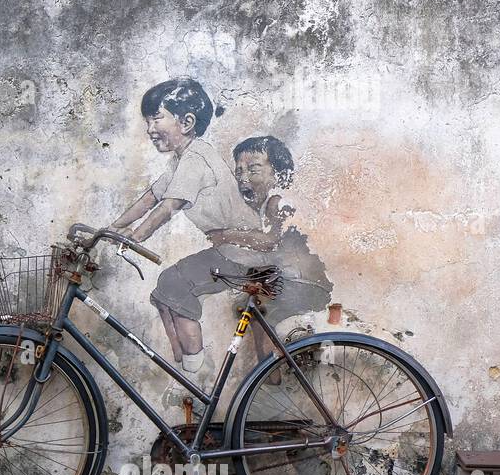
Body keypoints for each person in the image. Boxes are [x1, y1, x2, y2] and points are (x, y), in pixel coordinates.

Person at [107, 78, 267, 374]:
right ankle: (184, 365)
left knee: (175, 284)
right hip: (229, 249)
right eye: (147, 120)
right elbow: (150, 198)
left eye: (156, 118)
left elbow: (168, 207)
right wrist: (112, 227)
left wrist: (135, 236)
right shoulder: (181, 161)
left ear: (187, 122)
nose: (150, 128)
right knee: (165, 291)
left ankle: (195, 368)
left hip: (243, 251)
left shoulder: (196, 158)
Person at [206, 135, 333, 355]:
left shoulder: (278, 201)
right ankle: (268, 380)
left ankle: (269, 380)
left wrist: (226, 235)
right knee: (256, 315)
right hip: (288, 281)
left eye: (253, 169)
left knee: (262, 316)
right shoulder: (263, 206)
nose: (243, 177)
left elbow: (269, 242)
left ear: (279, 175)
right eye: (239, 171)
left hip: (302, 284)